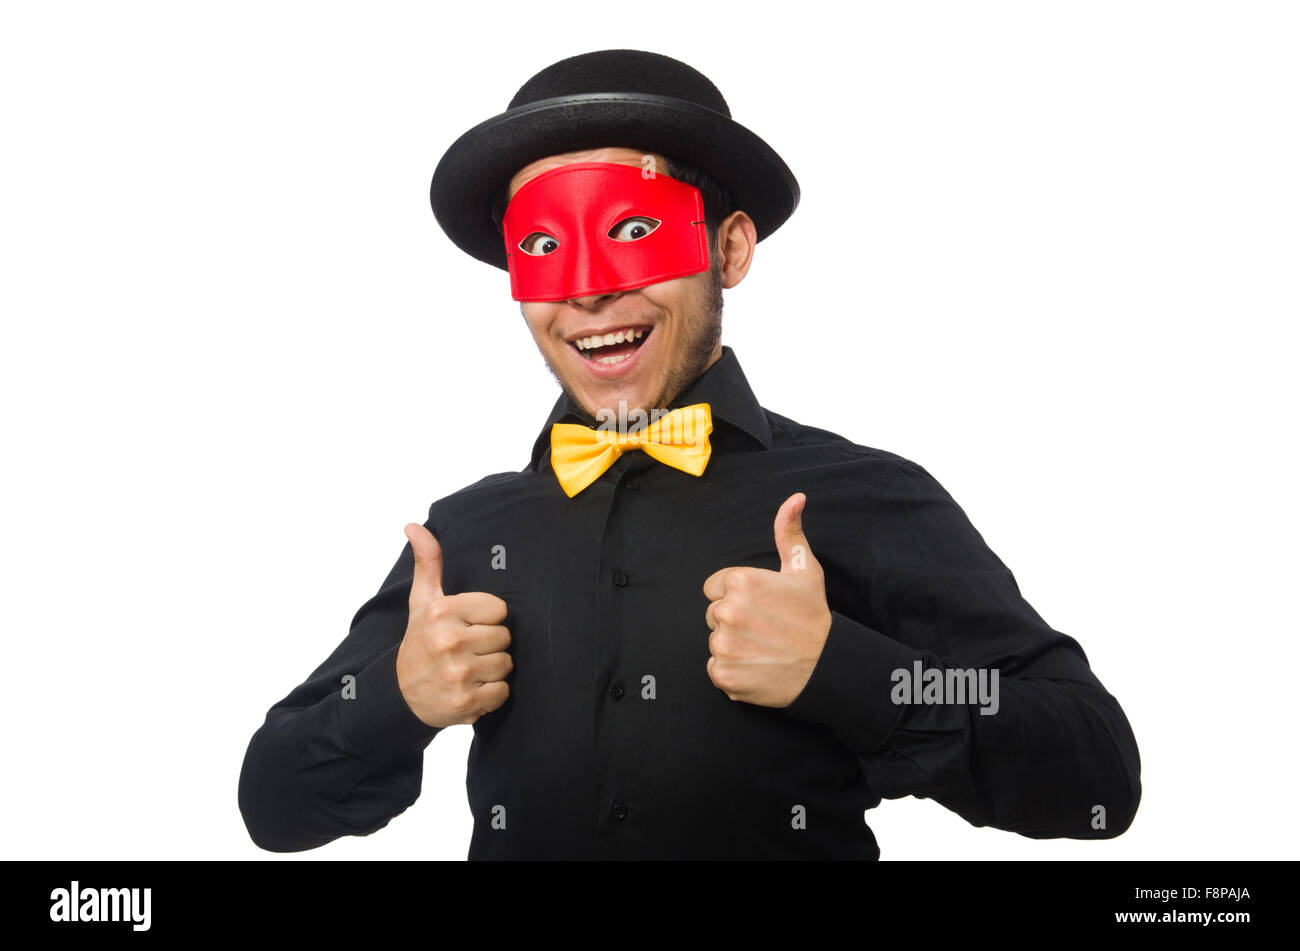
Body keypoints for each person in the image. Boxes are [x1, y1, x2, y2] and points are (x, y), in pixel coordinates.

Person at [238, 48, 1141, 859]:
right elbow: (272, 807)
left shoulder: (862, 498)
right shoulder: (467, 537)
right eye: (546, 248)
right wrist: (396, 700)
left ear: (731, 247)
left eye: (633, 232)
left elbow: (1096, 770)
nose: (589, 290)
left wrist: (847, 671)